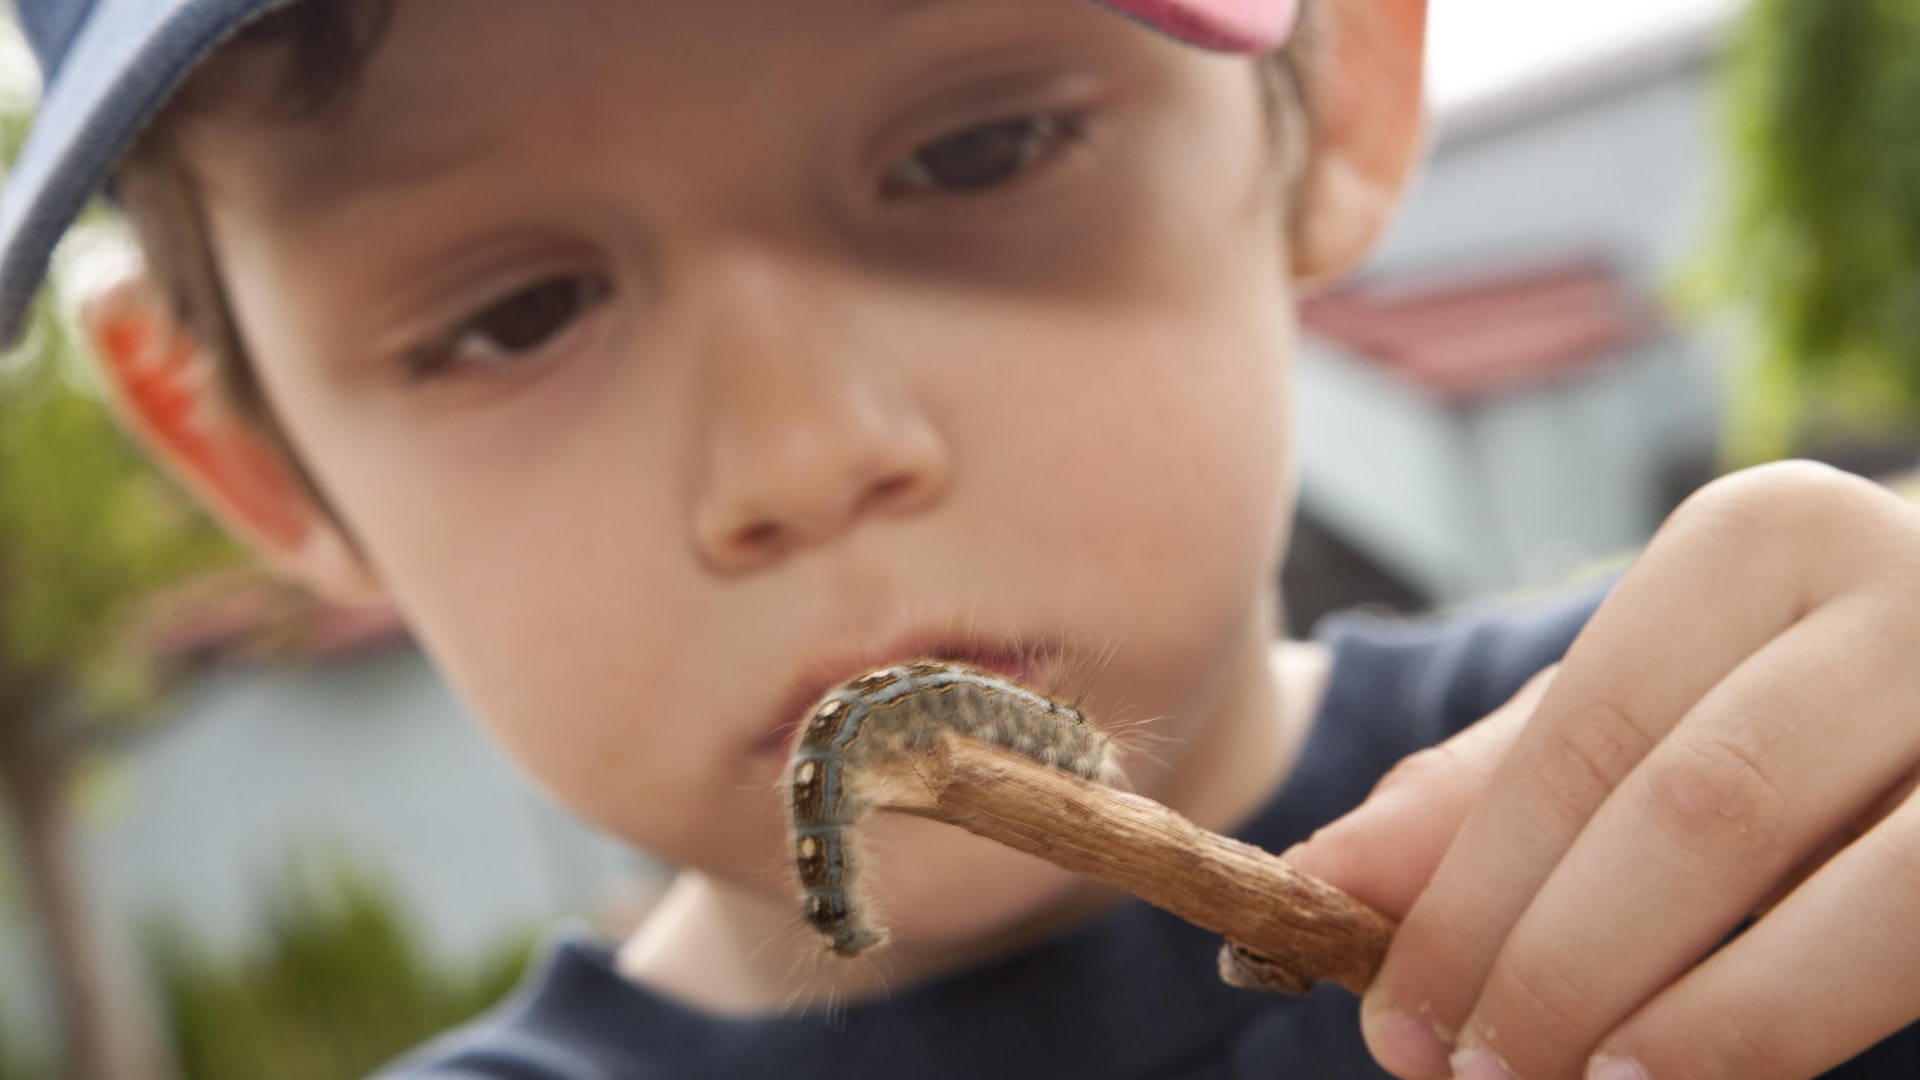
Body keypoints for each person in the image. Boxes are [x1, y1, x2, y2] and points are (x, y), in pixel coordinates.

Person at [3, 0, 1918, 1076]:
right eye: (512, 317)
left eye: (977, 151)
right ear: (241, 449)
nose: (807, 452)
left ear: (1339, 87)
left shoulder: (1775, 815)